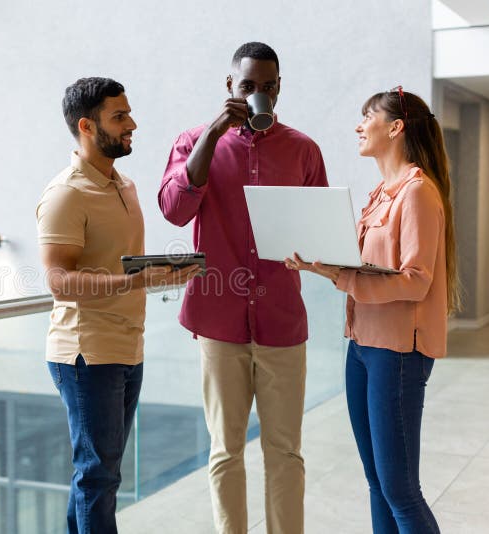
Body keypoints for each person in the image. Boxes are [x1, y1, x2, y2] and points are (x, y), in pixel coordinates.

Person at [159, 42, 328, 534]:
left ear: (279, 88)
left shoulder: (304, 150)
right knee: (225, 450)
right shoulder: (195, 141)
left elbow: (317, 231)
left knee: (285, 452)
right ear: (229, 86)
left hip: (281, 319)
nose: (259, 95)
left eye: (268, 87)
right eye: (248, 86)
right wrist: (214, 133)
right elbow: (174, 209)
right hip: (217, 320)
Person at [285, 87, 458, 533]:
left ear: (396, 127)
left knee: (400, 489)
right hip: (362, 346)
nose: (360, 126)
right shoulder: (382, 191)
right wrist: (317, 265)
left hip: (397, 352)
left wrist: (344, 278)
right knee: (377, 482)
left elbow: (416, 280)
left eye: (368, 117)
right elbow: (366, 271)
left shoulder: (417, 192)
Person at [37, 76, 200, 534]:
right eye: (119, 116)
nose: (133, 123)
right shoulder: (65, 193)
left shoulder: (124, 185)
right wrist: (138, 281)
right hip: (87, 353)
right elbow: (58, 280)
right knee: (98, 477)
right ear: (87, 127)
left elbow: (120, 265)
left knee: (97, 476)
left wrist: (158, 273)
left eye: (129, 112)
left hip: (128, 347)